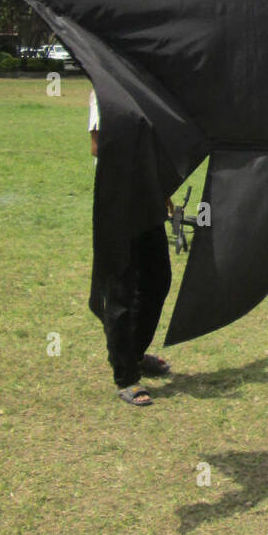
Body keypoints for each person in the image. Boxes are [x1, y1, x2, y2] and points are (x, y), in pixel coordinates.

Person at [89, 89, 173, 407]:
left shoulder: (144, 85)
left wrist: (160, 187)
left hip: (149, 197)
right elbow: (98, 146)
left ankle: (134, 353)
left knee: (157, 278)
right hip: (118, 198)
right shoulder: (103, 89)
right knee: (121, 288)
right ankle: (125, 376)